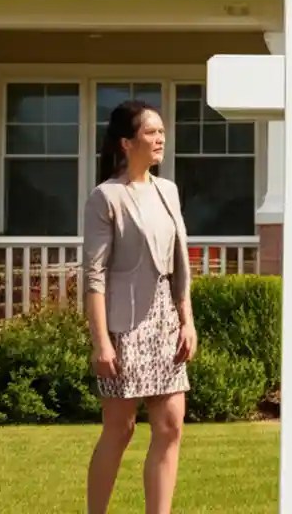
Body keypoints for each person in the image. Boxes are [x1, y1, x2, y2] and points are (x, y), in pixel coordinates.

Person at [83, 100, 197, 514]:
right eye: (151, 132)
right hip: (123, 327)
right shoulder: (105, 197)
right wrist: (101, 343)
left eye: (162, 131)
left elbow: (179, 263)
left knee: (170, 427)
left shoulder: (168, 190)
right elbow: (94, 276)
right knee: (120, 428)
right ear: (126, 143)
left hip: (167, 322)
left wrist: (188, 321)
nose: (160, 138)